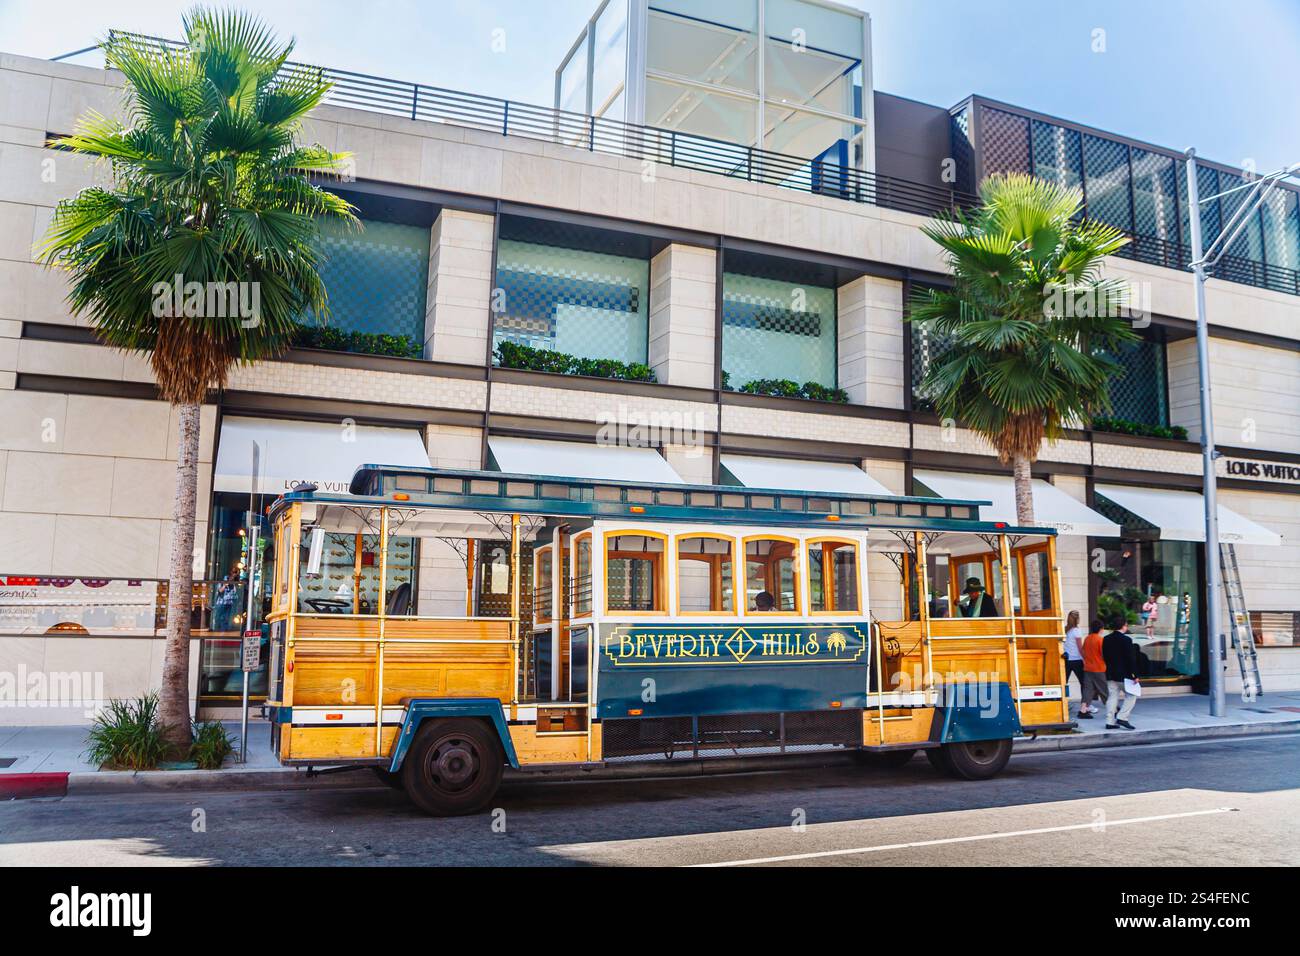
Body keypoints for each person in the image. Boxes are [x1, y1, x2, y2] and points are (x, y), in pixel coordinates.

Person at [1102, 614, 1139, 729]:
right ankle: (1122, 717)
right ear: (1124, 626)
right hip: (1124, 674)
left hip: (1110, 672)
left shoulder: (1106, 639)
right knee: (1132, 695)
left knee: (1112, 696)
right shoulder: (1127, 640)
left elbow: (1105, 656)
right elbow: (1130, 659)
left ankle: (1109, 721)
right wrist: (1135, 675)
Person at [1079, 618, 1108, 718]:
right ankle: (1113, 710)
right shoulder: (1100, 640)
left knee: (1088, 690)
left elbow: (1083, 652)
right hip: (1099, 668)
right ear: (1101, 629)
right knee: (1104, 690)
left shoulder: (1087, 638)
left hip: (1088, 668)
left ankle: (1083, 711)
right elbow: (1104, 655)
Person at [1062, 610, 1085, 715]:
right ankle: (1084, 706)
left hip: (1067, 660)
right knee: (1084, 683)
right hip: (1076, 660)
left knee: (1063, 682)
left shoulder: (1065, 629)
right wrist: (1085, 658)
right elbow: (1080, 648)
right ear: (1077, 619)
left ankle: (1063, 704)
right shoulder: (1076, 631)